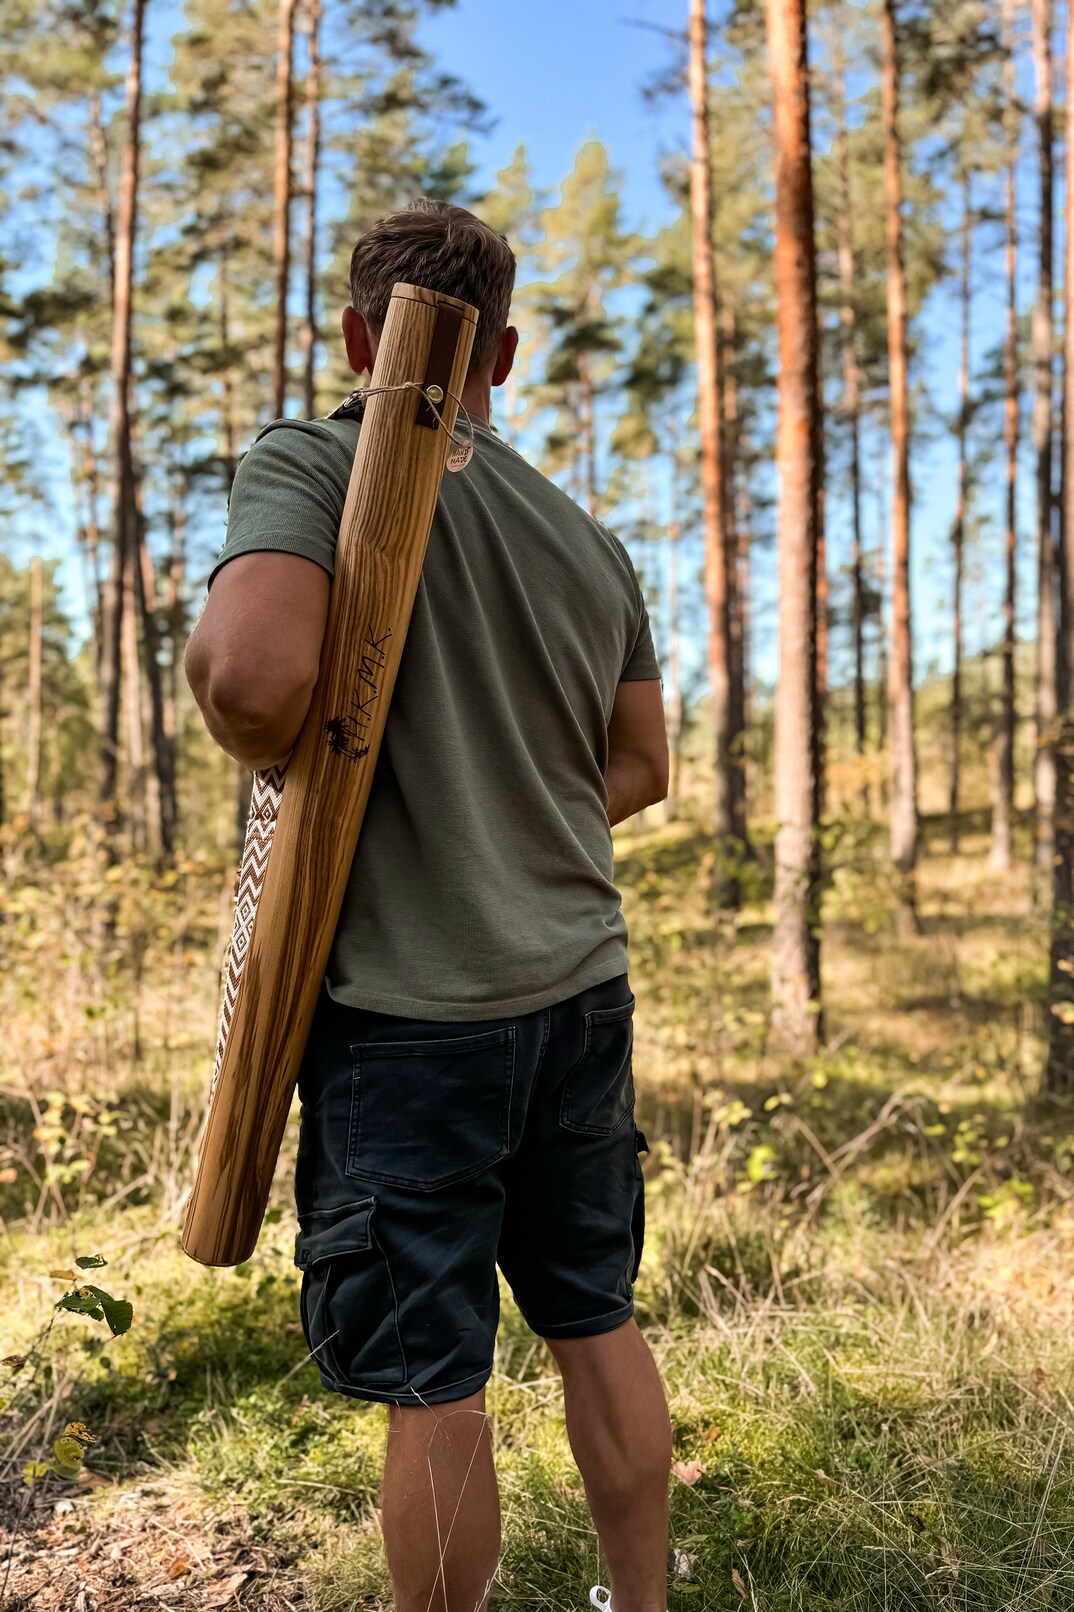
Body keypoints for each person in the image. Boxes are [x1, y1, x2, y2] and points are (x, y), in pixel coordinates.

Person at [185, 198, 671, 1612]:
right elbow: (639, 767)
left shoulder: (312, 460)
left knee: (433, 1379)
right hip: (582, 988)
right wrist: (512, 815)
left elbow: (253, 684)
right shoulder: (584, 540)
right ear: (500, 357)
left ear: (355, 334)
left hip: (414, 1019)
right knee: (596, 1319)